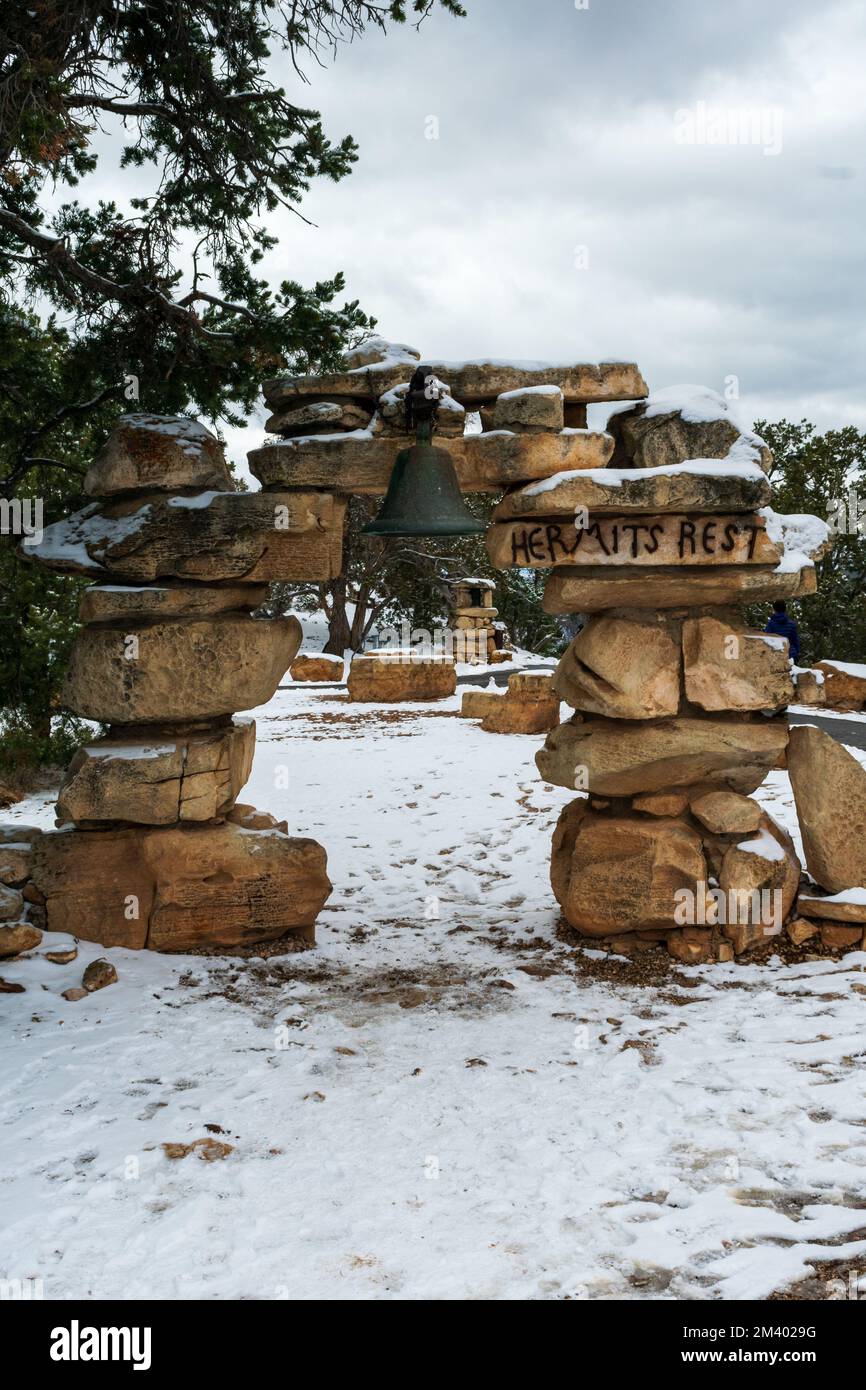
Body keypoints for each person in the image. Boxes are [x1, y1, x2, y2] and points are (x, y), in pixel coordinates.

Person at [764, 599, 800, 664]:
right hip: (790, 655)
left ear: (774, 609)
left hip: (776, 655)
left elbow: (767, 640)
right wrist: (795, 653)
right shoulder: (792, 624)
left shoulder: (771, 624)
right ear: (785, 609)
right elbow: (795, 642)